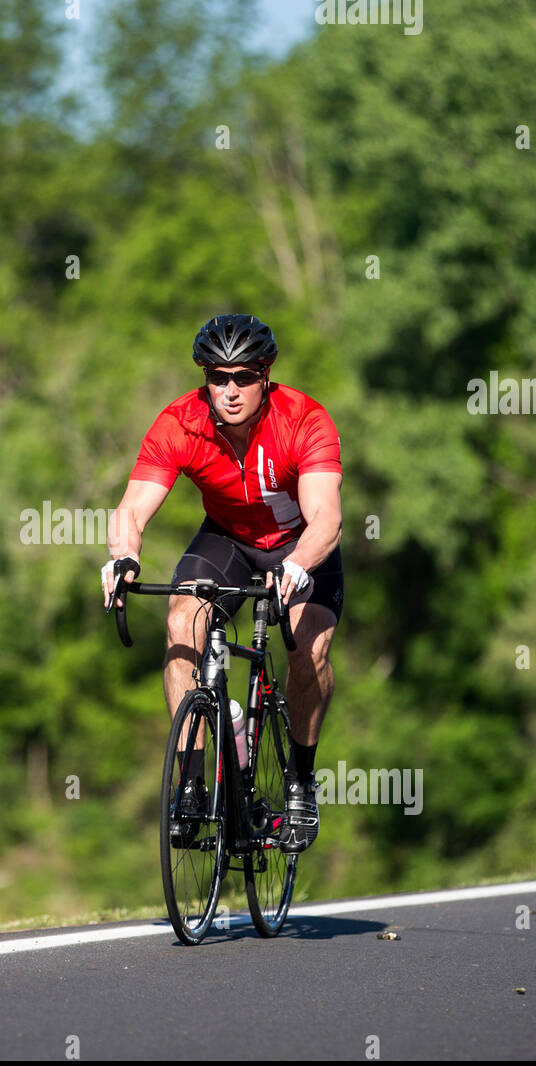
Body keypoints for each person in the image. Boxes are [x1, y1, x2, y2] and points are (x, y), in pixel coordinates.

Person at [101, 314, 343, 852]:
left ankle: (301, 781)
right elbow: (131, 510)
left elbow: (327, 519)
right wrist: (123, 559)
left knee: (309, 648)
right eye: (216, 377)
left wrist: (297, 566)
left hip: (302, 547)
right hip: (229, 541)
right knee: (181, 620)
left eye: (242, 377)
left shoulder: (305, 419)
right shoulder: (181, 422)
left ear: (265, 375)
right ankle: (189, 784)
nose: (229, 391)